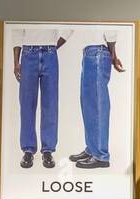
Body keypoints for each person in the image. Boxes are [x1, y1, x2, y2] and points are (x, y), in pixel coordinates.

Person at [12, 25, 70, 169]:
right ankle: (28, 149)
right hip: (27, 54)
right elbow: (17, 31)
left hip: (50, 53)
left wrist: (54, 47)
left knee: (50, 104)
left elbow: (69, 27)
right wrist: (16, 62)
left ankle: (48, 150)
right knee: (27, 104)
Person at [70, 29, 126, 170]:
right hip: (90, 54)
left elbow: (111, 31)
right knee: (88, 104)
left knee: (98, 105)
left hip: (97, 54)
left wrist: (113, 56)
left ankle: (101, 155)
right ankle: (92, 149)